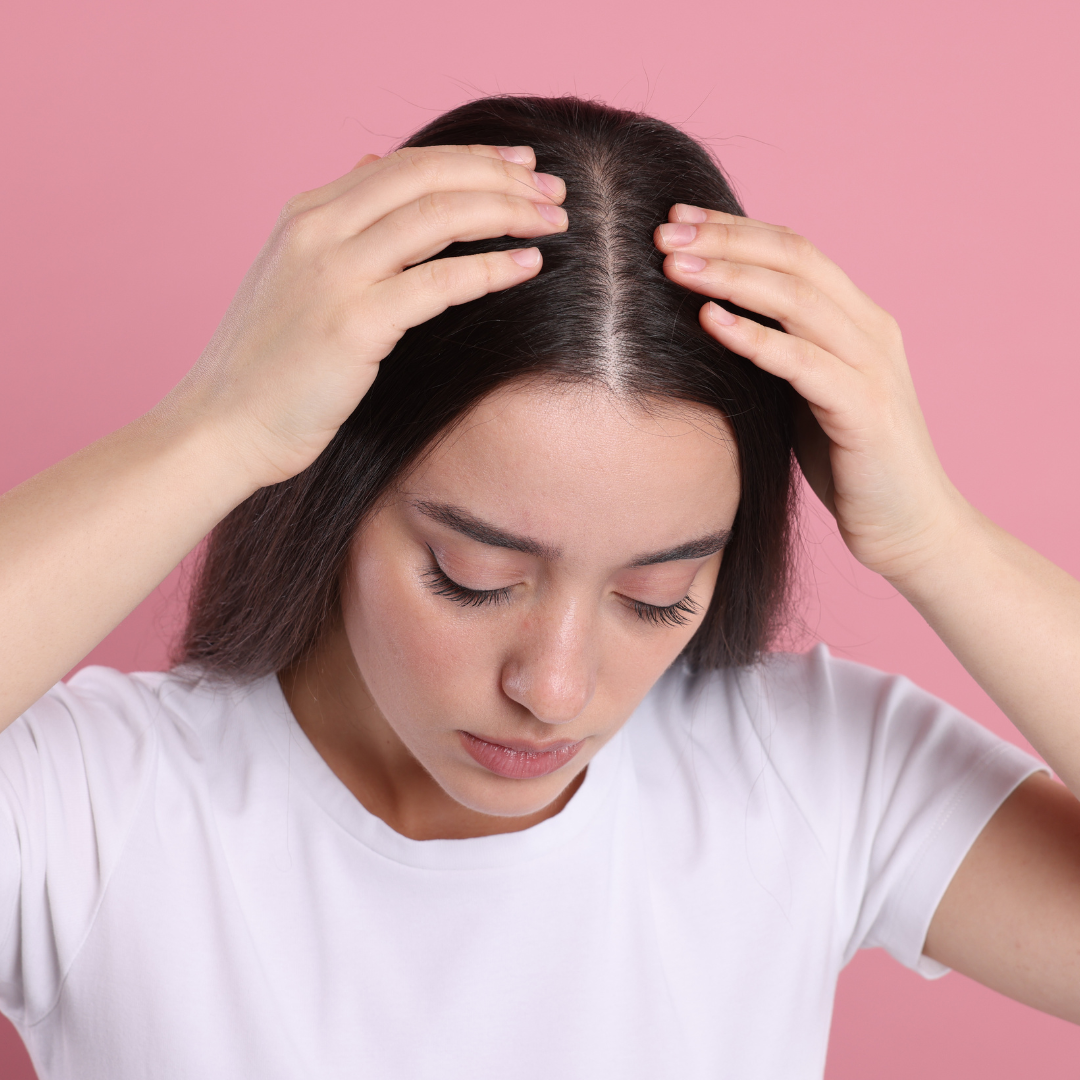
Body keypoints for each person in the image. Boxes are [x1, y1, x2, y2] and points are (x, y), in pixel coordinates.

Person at [1, 94, 1078, 1080]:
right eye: (470, 578)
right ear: (334, 498)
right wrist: (216, 429)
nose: (556, 689)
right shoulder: (94, 809)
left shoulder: (813, 771)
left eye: (657, 594)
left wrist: (938, 540)